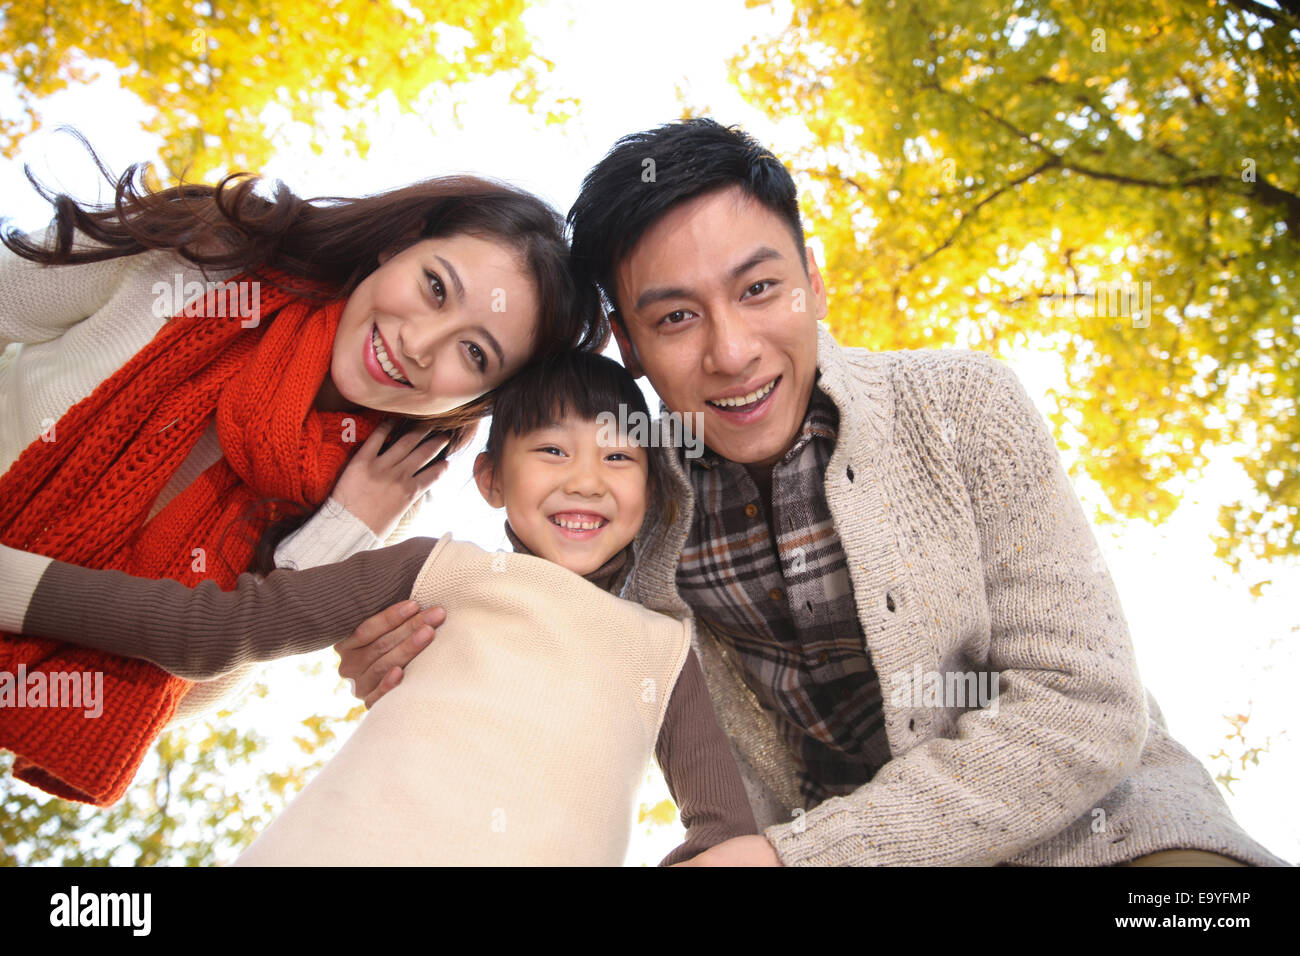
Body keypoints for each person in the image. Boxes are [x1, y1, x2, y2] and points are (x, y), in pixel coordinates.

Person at [345, 118, 1284, 867]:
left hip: (1113, 841)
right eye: (676, 318)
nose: (732, 351)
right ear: (629, 348)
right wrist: (414, 644)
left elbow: (1086, 709)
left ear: (813, 282)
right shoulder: (635, 502)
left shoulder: (960, 407)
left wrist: (799, 857)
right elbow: (535, 624)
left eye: (759, 290)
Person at [0, 145, 603, 806]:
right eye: (435, 288)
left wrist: (341, 534)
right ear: (401, 243)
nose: (418, 344)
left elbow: (187, 687)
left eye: (474, 352)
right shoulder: (200, 254)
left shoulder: (384, 487)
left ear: (479, 399)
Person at [0, 352, 757, 865]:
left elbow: (729, 839)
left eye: (619, 456)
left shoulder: (662, 647)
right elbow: (219, 628)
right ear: (491, 480)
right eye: (553, 451)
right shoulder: (437, 568)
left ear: (653, 490)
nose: (587, 480)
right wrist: (15, 584)